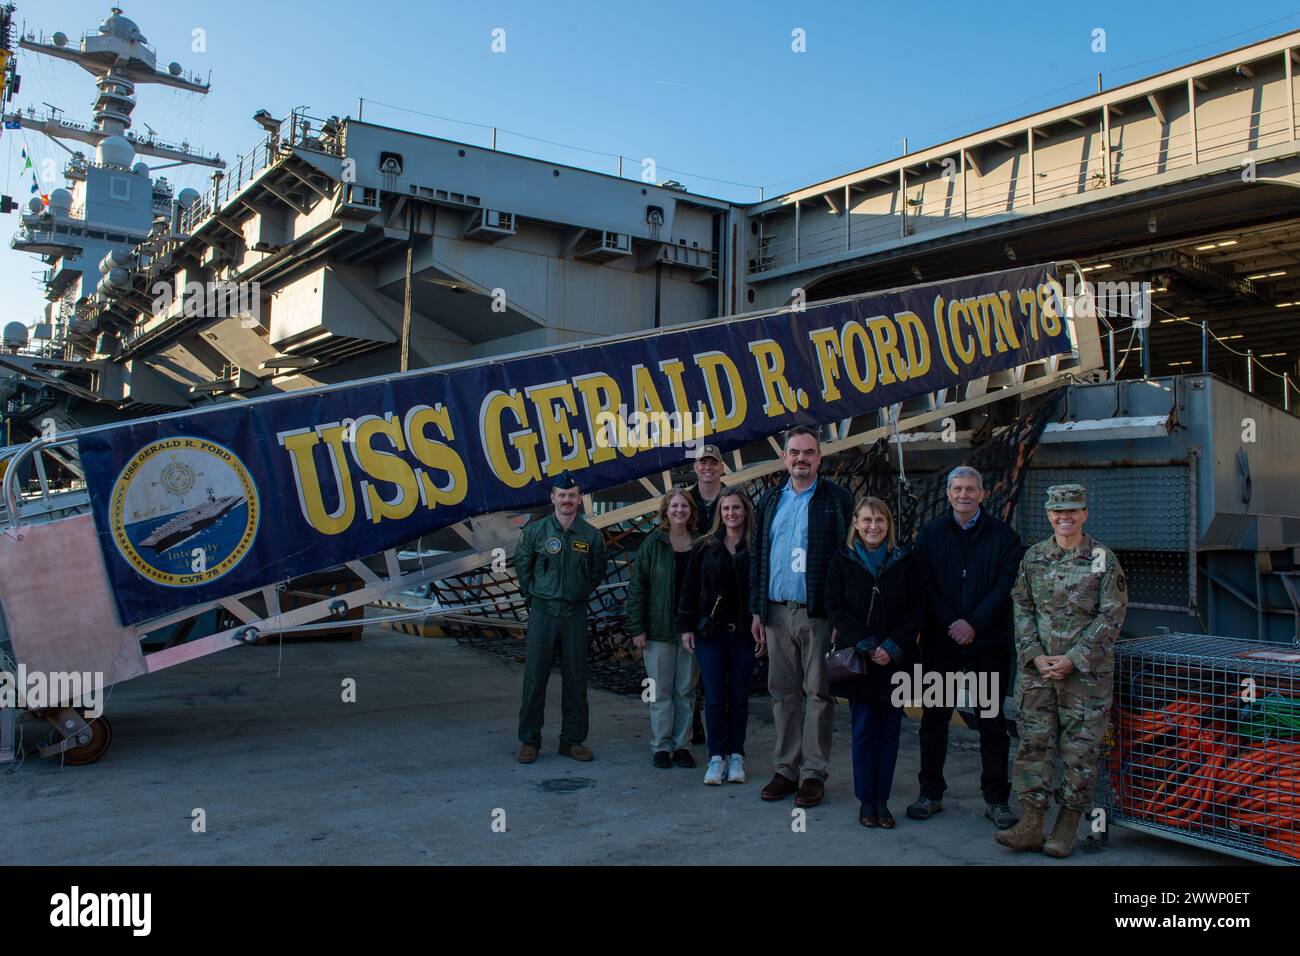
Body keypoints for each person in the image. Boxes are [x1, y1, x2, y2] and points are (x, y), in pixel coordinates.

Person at [996, 483, 1127, 859]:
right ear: (1049, 514)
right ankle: (1031, 823)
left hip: (1085, 676)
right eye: (1058, 511)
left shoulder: (1103, 558)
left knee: (1080, 751)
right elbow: (1021, 607)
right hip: (1037, 672)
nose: (1064, 517)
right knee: (1033, 744)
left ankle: (1067, 825)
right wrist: (1035, 655)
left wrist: (1073, 659)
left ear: (1085, 513)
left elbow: (1111, 616)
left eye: (1073, 510)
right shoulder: (1035, 556)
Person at [907, 465, 1025, 829]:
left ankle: (996, 800)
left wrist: (973, 624)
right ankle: (930, 793)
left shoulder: (1004, 537)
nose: (963, 495)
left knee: (991, 724)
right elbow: (923, 586)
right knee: (934, 720)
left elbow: (1005, 586)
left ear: (983, 493)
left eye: (971, 489)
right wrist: (950, 624)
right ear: (948, 493)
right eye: (957, 489)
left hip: (986, 646)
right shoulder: (929, 535)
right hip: (941, 646)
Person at [750, 425, 853, 808]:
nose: (801, 459)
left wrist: (843, 613)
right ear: (784, 458)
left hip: (818, 614)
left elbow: (847, 558)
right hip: (777, 612)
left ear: (819, 458)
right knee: (782, 694)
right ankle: (785, 768)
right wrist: (757, 611)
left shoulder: (836, 499)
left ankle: (813, 773)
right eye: (795, 453)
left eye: (809, 453)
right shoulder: (770, 502)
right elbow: (759, 559)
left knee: (820, 694)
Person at [825, 496, 922, 829]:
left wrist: (893, 646)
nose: (873, 526)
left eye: (880, 520)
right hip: (862, 661)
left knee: (891, 732)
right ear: (855, 522)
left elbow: (916, 609)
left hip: (895, 660)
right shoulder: (842, 559)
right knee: (865, 730)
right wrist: (865, 644)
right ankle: (867, 801)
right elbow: (835, 606)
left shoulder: (904, 559)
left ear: (888, 524)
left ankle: (884, 799)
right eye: (867, 520)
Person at [515, 473, 608, 764]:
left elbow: (596, 572)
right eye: (561, 495)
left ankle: (573, 740)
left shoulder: (591, 535)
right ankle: (530, 740)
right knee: (534, 678)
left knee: (577, 678)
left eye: (572, 495)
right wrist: (536, 597)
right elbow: (523, 567)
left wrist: (576, 592)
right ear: (552, 498)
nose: (567, 500)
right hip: (543, 612)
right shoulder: (535, 532)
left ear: (580, 499)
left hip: (575, 613)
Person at [678, 490, 758, 785]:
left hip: (744, 634)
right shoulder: (705, 547)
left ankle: (736, 754)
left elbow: (760, 587)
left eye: (736, 507)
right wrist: (686, 626)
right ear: (719, 513)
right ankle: (716, 757)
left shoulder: (756, 546)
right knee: (713, 697)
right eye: (725, 508)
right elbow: (689, 589)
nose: (731, 513)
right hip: (710, 634)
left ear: (745, 511)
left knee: (738, 696)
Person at [627, 488, 700, 768]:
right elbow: (638, 588)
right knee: (660, 691)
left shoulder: (700, 542)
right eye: (674, 506)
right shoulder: (653, 544)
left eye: (684, 506)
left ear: (691, 510)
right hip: (658, 629)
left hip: (690, 630)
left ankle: (682, 745)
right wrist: (637, 627)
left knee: (686, 690)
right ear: (666, 511)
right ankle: (661, 745)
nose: (679, 510)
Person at [687, 444, 729, 745]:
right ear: (696, 467)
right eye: (703, 462)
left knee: (719, 665)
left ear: (722, 467)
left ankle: (723, 726)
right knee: (690, 665)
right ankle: (691, 721)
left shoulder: (733, 498)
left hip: (724, 587)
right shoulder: (683, 500)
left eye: (713, 463)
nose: (708, 468)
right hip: (691, 584)